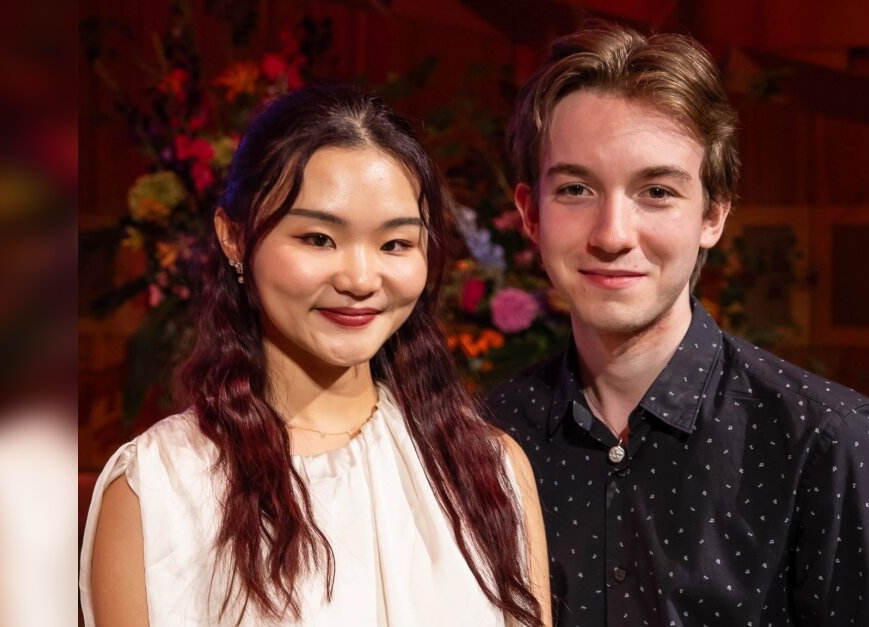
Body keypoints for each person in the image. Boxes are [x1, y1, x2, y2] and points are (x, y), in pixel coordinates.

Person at [487, 22, 869, 626]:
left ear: (713, 215)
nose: (612, 235)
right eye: (577, 189)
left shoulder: (824, 440)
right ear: (531, 214)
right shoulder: (483, 438)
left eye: (657, 192)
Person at [80, 85, 549, 626]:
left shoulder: (488, 472)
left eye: (395, 244)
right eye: (319, 239)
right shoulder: (158, 488)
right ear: (234, 238)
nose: (361, 279)